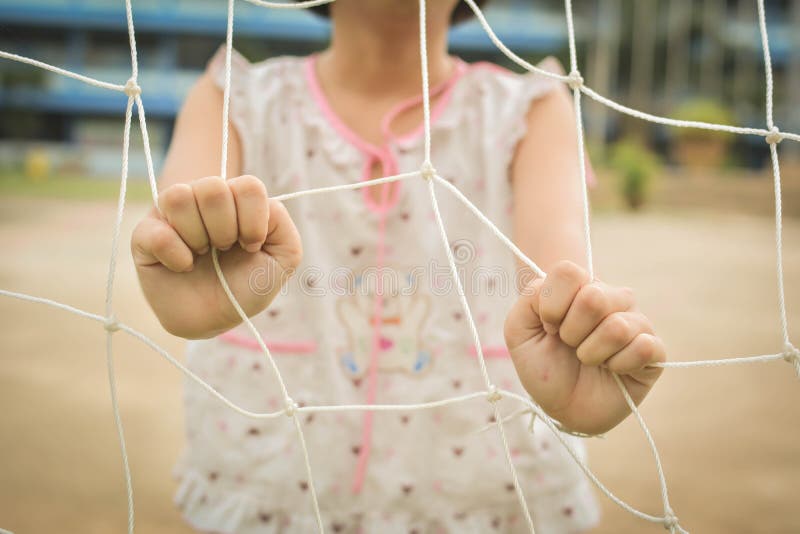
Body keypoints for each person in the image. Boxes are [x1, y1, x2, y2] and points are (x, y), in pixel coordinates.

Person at [131, 1, 665, 532]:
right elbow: (183, 235)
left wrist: (578, 343)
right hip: (272, 476)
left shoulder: (532, 109)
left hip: (484, 481)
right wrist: (188, 285)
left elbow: (556, 287)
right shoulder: (233, 99)